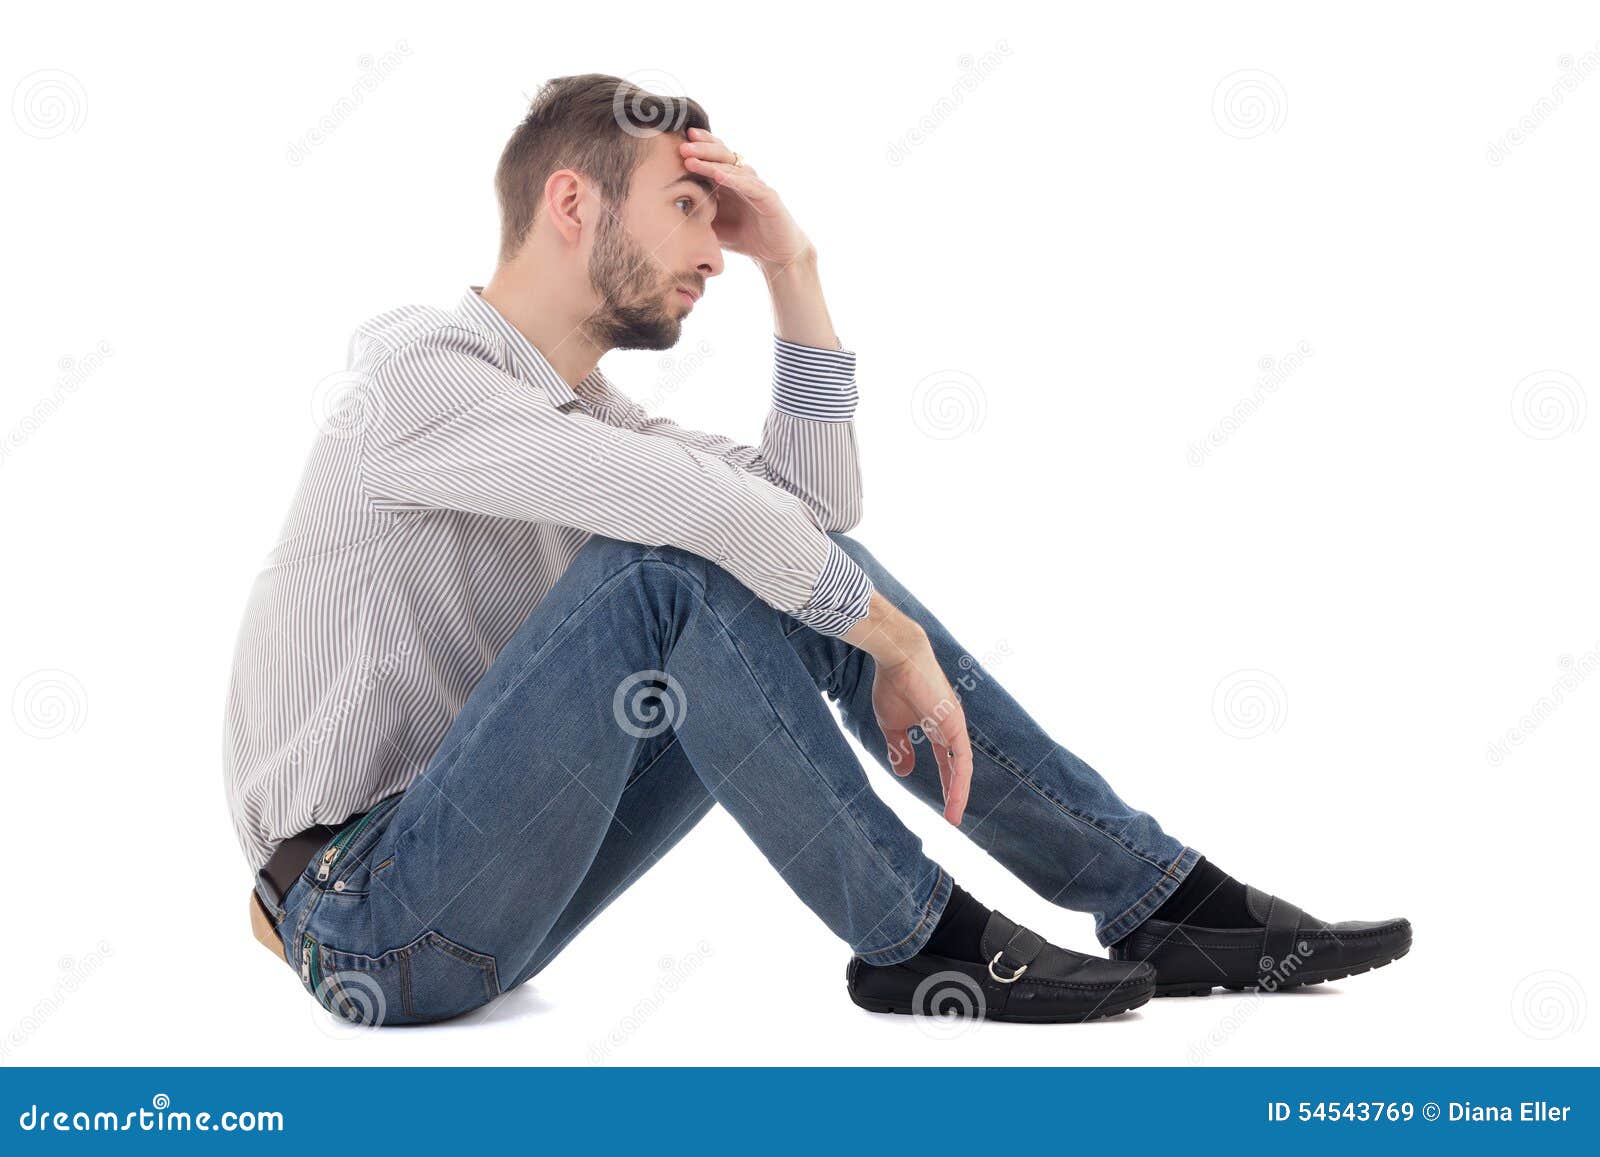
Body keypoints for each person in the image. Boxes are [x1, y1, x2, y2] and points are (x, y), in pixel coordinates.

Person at [223, 73, 1410, 1027]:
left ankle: (1156, 897)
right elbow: (714, 519)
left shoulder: (585, 420)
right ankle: (914, 936)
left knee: (744, 556)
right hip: (367, 915)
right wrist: (890, 640)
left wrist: (793, 267)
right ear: (572, 203)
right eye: (687, 208)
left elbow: (812, 508)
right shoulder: (416, 374)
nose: (713, 251)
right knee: (680, 566)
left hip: (483, 899)